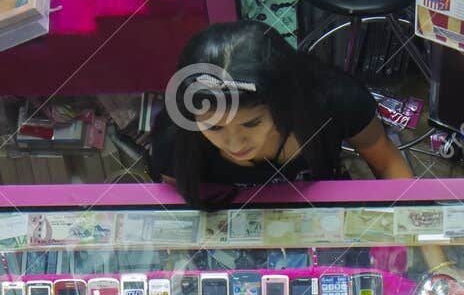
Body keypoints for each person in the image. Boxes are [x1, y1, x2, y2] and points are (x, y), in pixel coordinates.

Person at [150, 20, 416, 207]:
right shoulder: (174, 136)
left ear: (283, 102)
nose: (234, 144)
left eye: (251, 123)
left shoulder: (335, 99)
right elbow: (176, 202)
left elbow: (387, 162)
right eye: (214, 128)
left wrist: (436, 262)